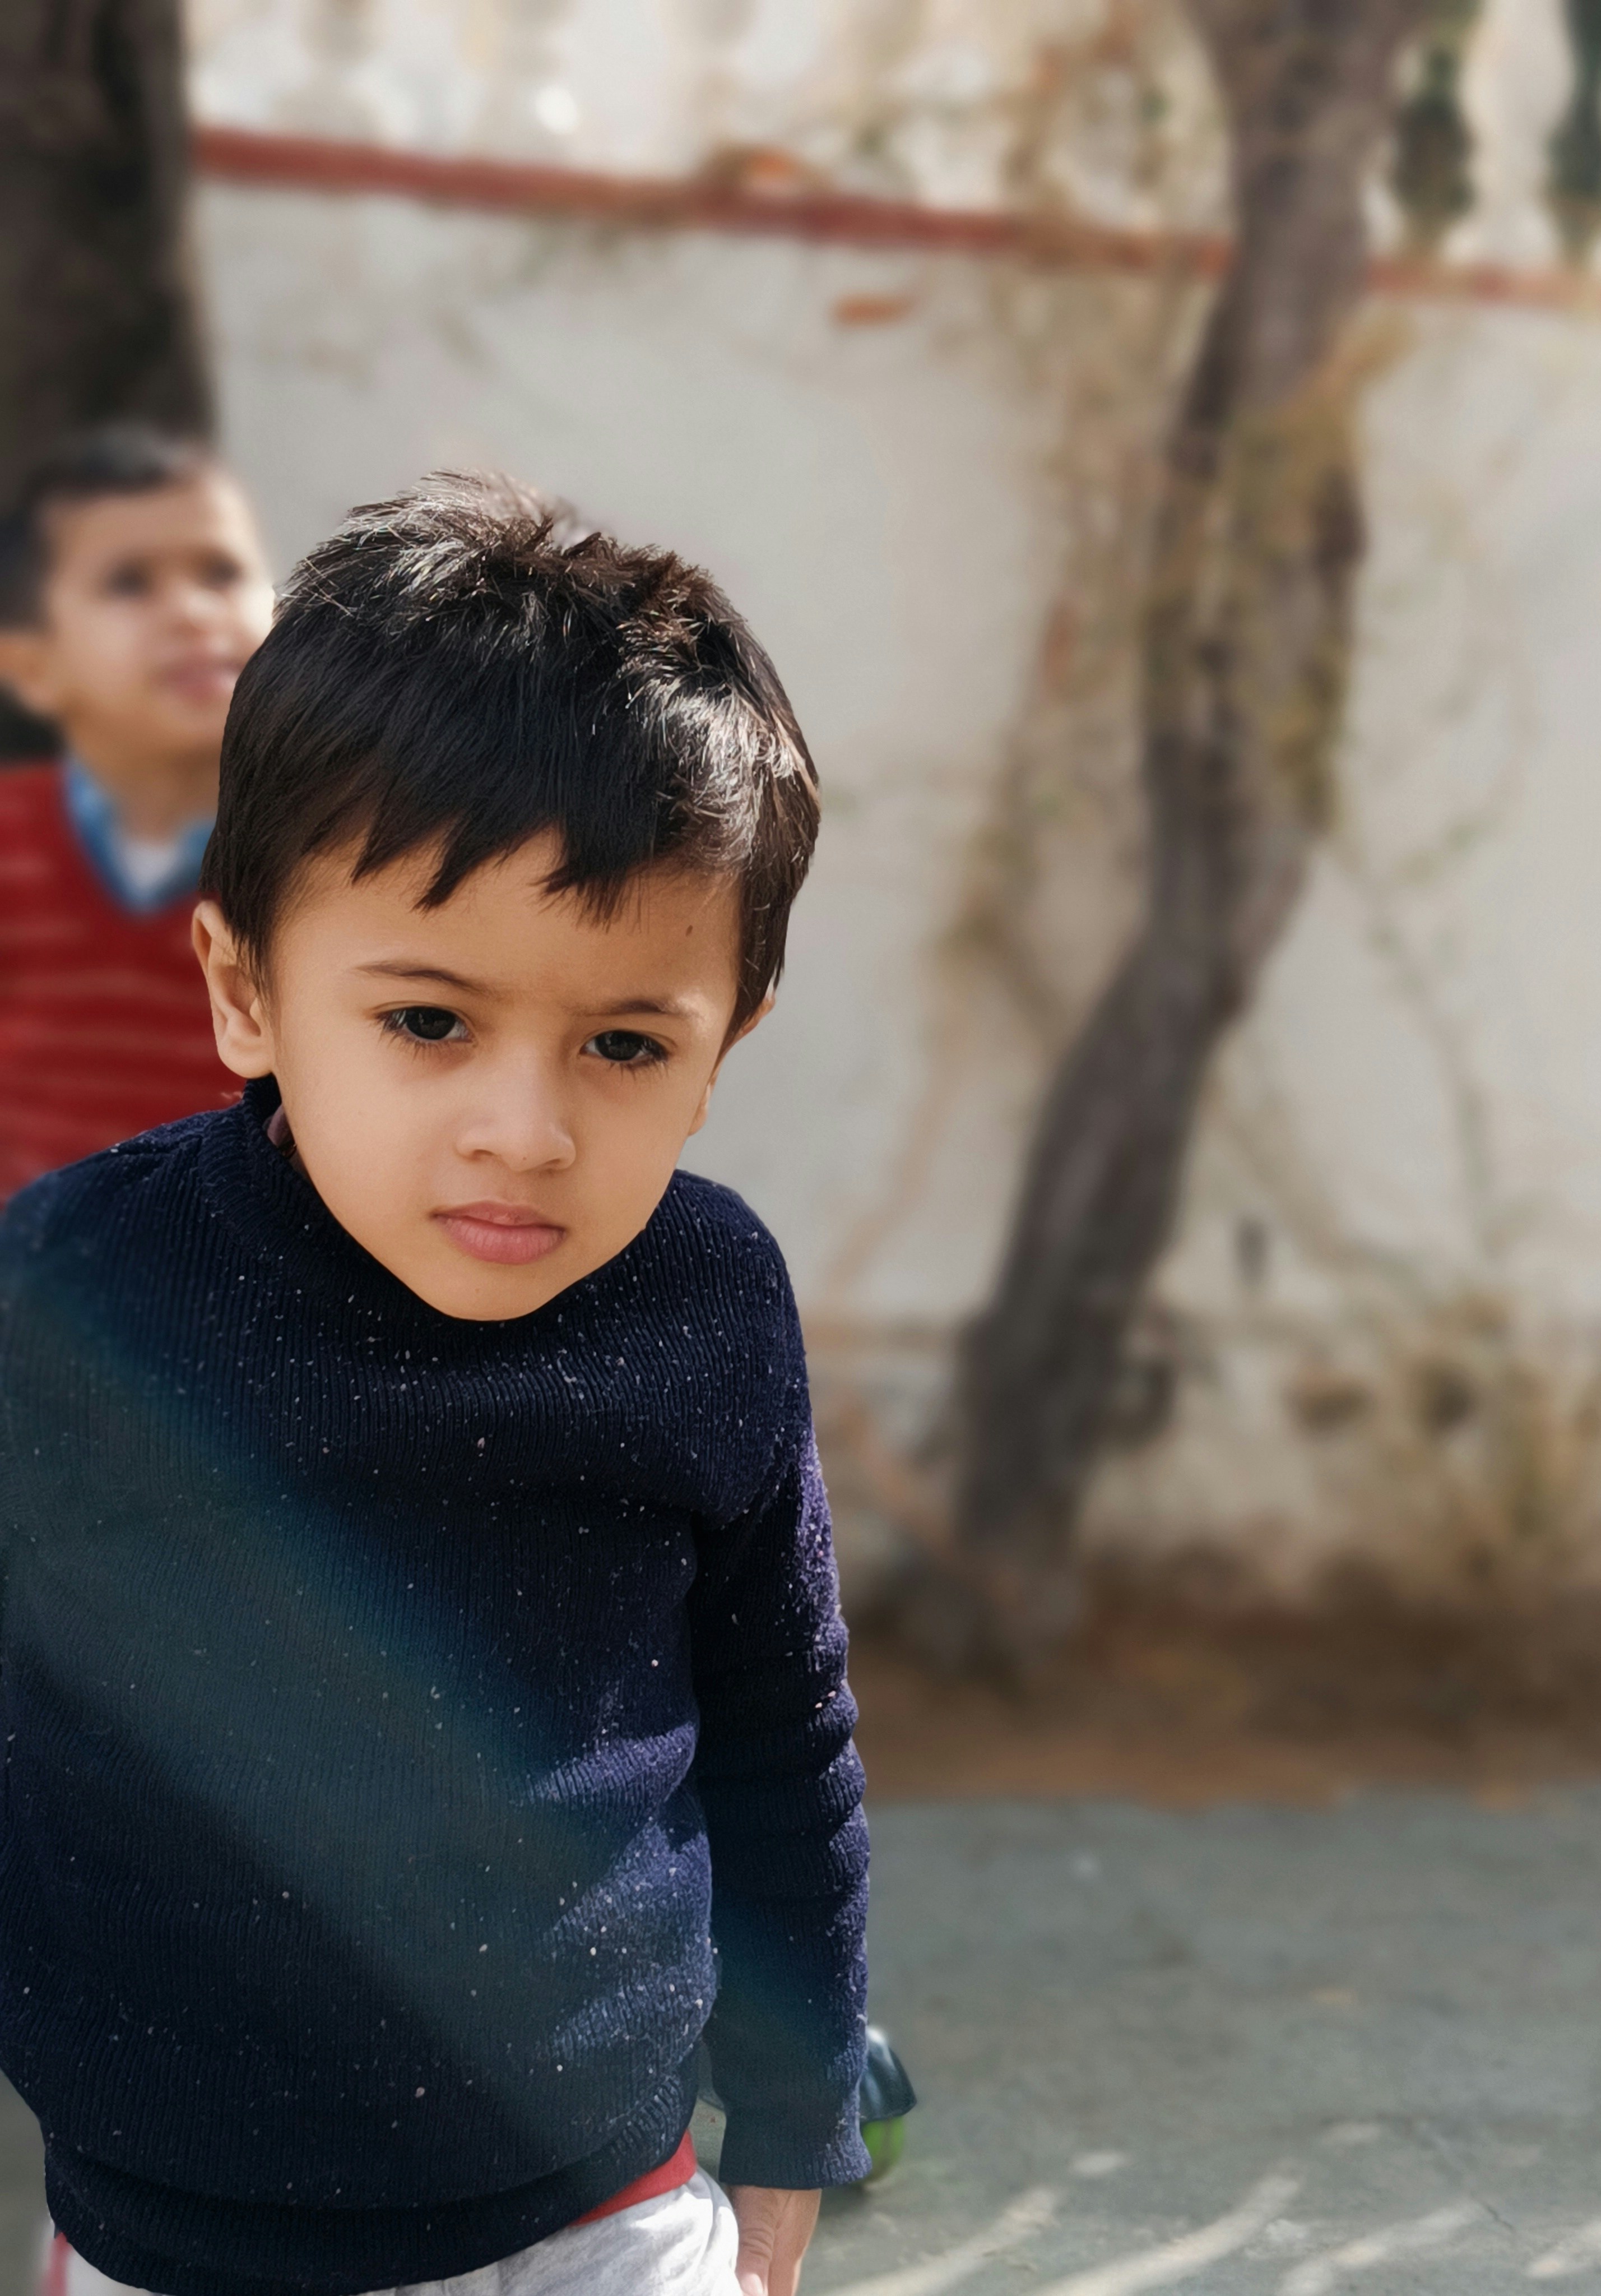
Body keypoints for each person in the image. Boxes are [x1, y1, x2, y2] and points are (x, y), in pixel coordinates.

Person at [0, 476, 869, 2296]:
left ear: (721, 1050)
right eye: (427, 1019)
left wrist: (789, 2124)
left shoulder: (708, 1302)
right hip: (176, 2238)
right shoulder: (75, 1292)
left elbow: (784, 1730)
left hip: (603, 2218)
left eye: (625, 1042)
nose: (525, 1129)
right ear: (247, 990)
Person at [0, 425, 274, 1201]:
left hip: (231, 1279)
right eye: (129, 583)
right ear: (33, 667)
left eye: (221, 571)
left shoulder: (319, 862)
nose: (191, 612)